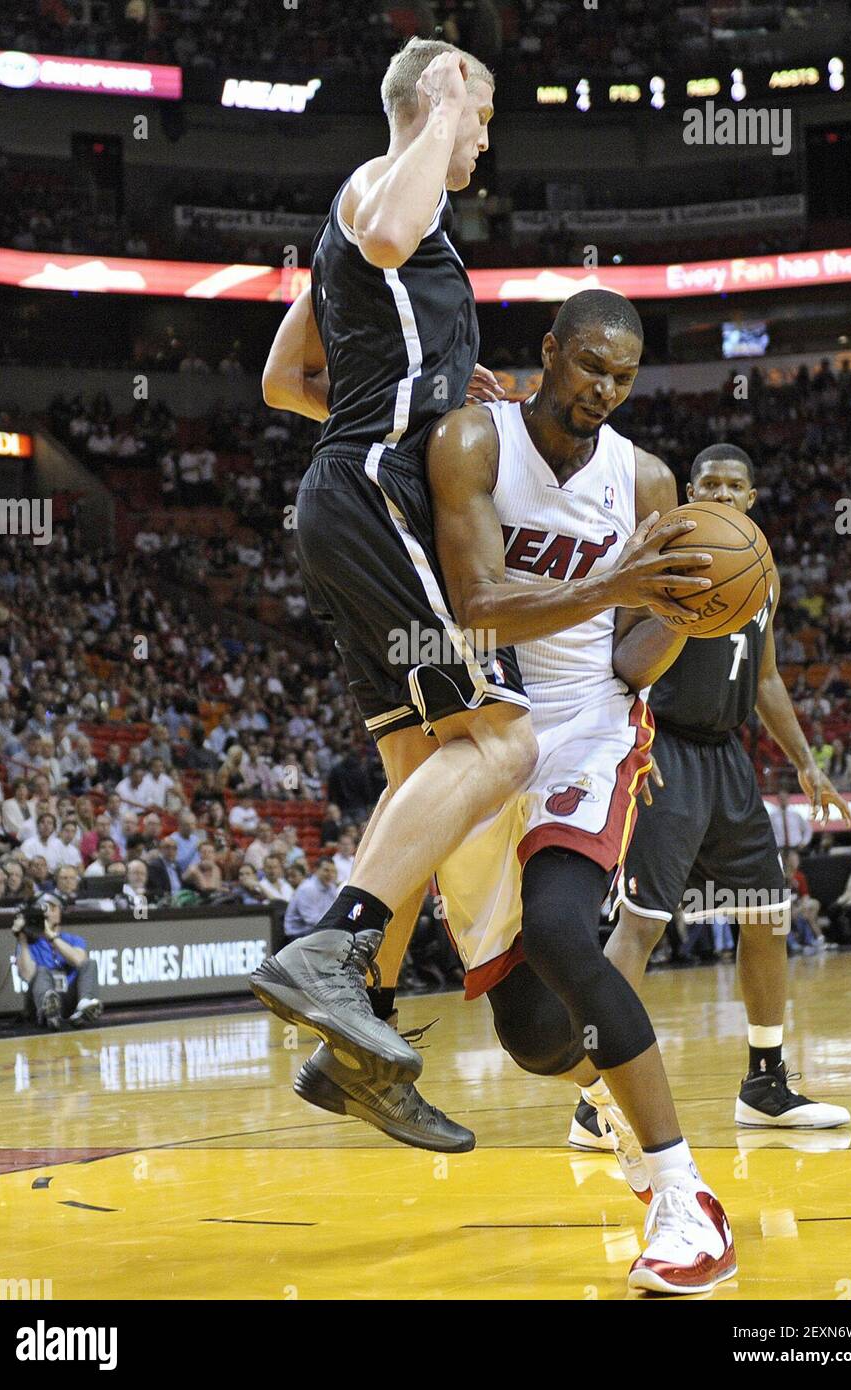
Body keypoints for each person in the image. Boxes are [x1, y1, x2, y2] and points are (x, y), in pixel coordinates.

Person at [298, 290, 738, 1293]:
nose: (602, 389)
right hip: (484, 732)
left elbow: (634, 656)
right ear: (548, 351)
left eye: (622, 377)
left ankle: (683, 1198)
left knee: (558, 927)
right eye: (587, 365)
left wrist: (692, 607)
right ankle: (621, 1117)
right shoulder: (473, 441)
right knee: (534, 1036)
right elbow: (482, 603)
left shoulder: (649, 479)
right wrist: (618, 583)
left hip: (587, 732)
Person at [252, 37, 540, 1110]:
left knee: (422, 769)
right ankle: (332, 948)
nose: (483, 139)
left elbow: (286, 380)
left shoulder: (368, 233)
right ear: (440, 99)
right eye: (480, 115)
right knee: (506, 737)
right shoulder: (382, 189)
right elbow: (382, 226)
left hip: (348, 490)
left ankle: (353, 1046)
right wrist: (435, 111)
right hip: (375, 494)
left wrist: (432, 405)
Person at [600, 442, 851, 1135]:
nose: (721, 492)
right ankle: (594, 1103)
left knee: (768, 917)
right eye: (708, 483)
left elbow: (766, 677)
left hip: (728, 758)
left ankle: (765, 1084)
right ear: (689, 491)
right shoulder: (658, 557)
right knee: (643, 927)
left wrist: (805, 761)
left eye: (733, 485)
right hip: (664, 747)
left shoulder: (760, 569)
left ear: (751, 496)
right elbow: (620, 662)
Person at [12, 899, 102, 1029]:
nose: (47, 913)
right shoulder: (29, 943)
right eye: (43, 909)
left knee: (90, 963)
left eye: (52, 908)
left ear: (60, 912)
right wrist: (22, 939)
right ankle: (49, 1010)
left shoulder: (73, 939)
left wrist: (52, 937)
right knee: (41, 971)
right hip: (40, 1000)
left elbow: (79, 961)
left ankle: (83, 1006)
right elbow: (27, 975)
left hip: (68, 997)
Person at [284, 858, 340, 939]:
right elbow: (312, 920)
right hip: (298, 935)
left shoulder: (331, 887)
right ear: (316, 870)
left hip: (318, 930)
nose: (330, 874)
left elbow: (334, 912)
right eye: (326, 870)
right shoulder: (307, 889)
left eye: (333, 871)